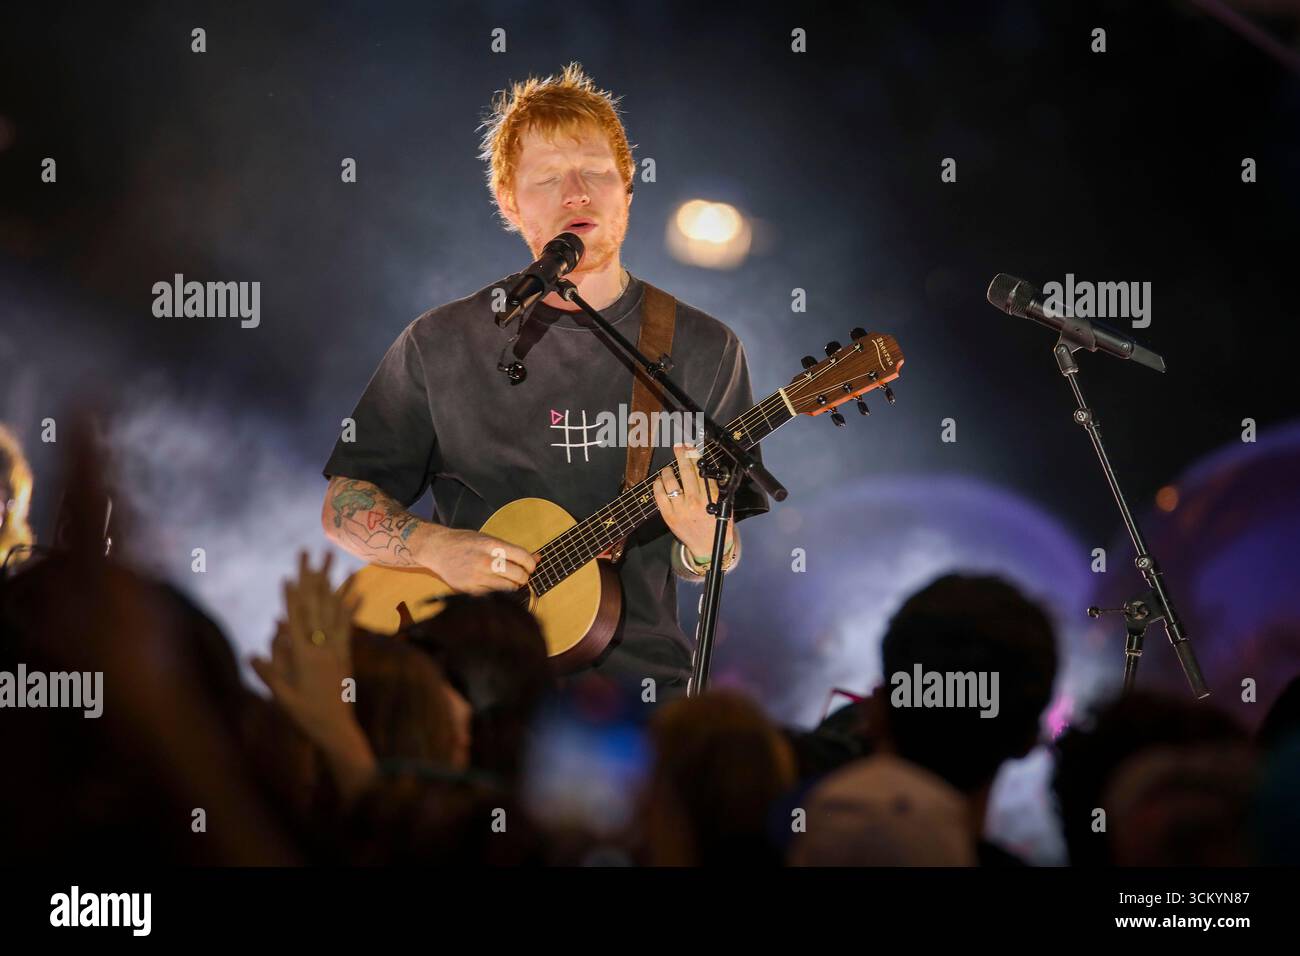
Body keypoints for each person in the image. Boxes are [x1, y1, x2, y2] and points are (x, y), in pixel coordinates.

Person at [320, 63, 769, 694]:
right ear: (509, 202)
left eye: (595, 172)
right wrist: (432, 547)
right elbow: (344, 504)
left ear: (628, 188)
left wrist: (703, 542)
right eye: (549, 178)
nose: (576, 193)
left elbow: (712, 555)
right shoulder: (442, 342)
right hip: (470, 691)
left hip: (634, 697)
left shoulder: (705, 348)